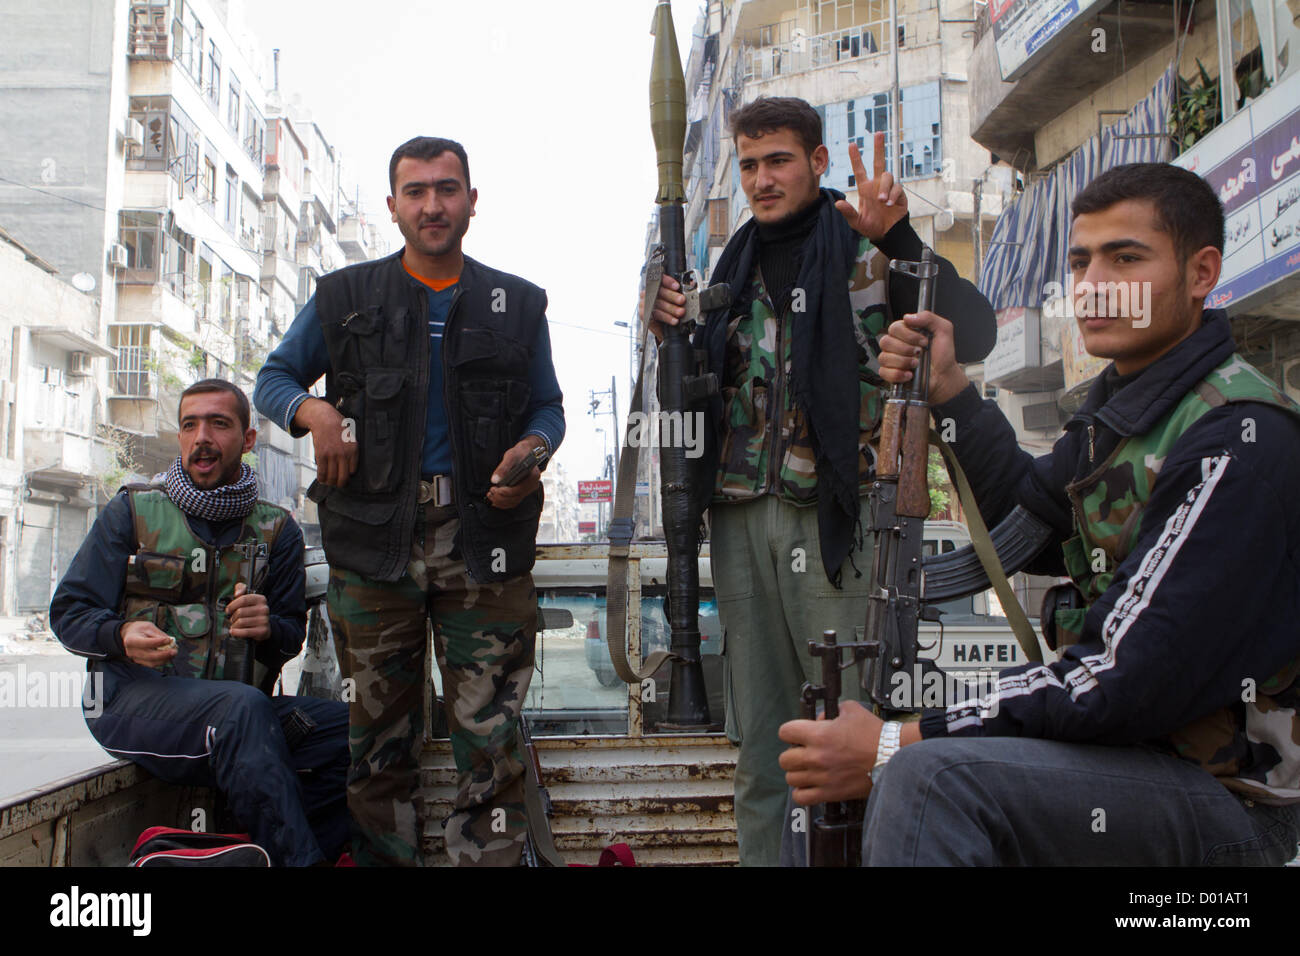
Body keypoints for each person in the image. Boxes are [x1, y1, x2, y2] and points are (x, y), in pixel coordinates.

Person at [778, 161, 1300, 865]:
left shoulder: (1237, 437)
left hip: (1238, 806)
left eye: (1127, 259)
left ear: (1202, 273)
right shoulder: (1121, 418)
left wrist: (892, 743)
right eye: (1081, 262)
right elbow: (1023, 528)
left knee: (927, 777)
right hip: (1132, 767)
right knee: (820, 768)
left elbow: (1122, 677)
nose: (1094, 286)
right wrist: (952, 390)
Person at [646, 96, 996, 865]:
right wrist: (669, 336)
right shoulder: (724, 274)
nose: (762, 179)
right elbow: (690, 404)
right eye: (748, 165)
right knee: (764, 745)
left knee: (848, 737)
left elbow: (974, 331)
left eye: (778, 160)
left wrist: (899, 235)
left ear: (817, 162)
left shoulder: (867, 252)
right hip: (738, 518)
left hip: (837, 519)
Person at [253, 135, 565, 867]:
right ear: (392, 206)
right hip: (373, 545)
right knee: (375, 743)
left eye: (447, 189)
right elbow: (273, 380)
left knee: (490, 743)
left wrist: (534, 452)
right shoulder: (344, 296)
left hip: (485, 538)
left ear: (471, 202)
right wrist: (316, 414)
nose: (433, 204)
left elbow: (548, 408)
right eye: (416, 191)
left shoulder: (516, 304)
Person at [50, 379, 349, 867]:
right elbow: (68, 614)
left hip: (237, 719)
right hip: (130, 703)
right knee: (241, 710)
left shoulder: (278, 532)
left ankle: (247, 853)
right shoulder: (132, 511)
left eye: (219, 424)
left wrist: (268, 626)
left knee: (360, 736)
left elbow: (291, 635)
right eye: (190, 425)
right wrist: (120, 635)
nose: (201, 437)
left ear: (248, 440)